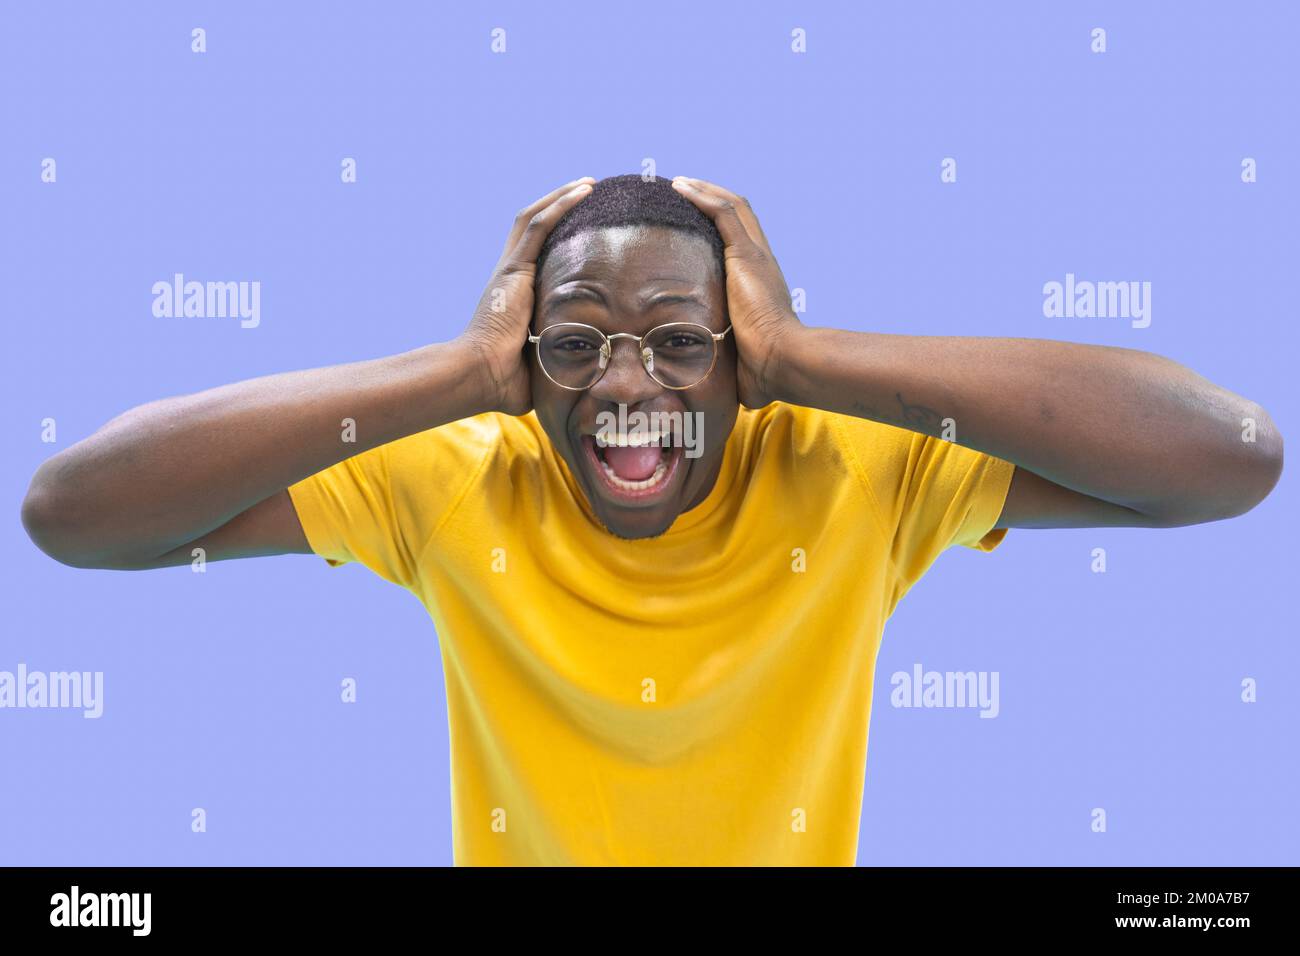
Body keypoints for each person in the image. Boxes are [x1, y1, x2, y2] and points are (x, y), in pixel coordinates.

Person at [21, 173, 1283, 866]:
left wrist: (809, 353)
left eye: (682, 343)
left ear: (747, 363)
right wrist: (457, 374)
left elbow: (1225, 458)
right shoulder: (459, 472)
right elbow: (76, 513)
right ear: (528, 358)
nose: (626, 386)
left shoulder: (852, 470)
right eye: (577, 344)